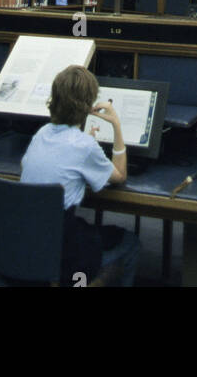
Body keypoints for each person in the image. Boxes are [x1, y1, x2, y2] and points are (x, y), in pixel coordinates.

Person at [20, 65, 139, 286]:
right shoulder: (84, 146)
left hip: (25, 244)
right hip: (62, 252)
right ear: (89, 104)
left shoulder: (41, 133)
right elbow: (120, 175)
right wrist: (116, 126)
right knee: (130, 243)